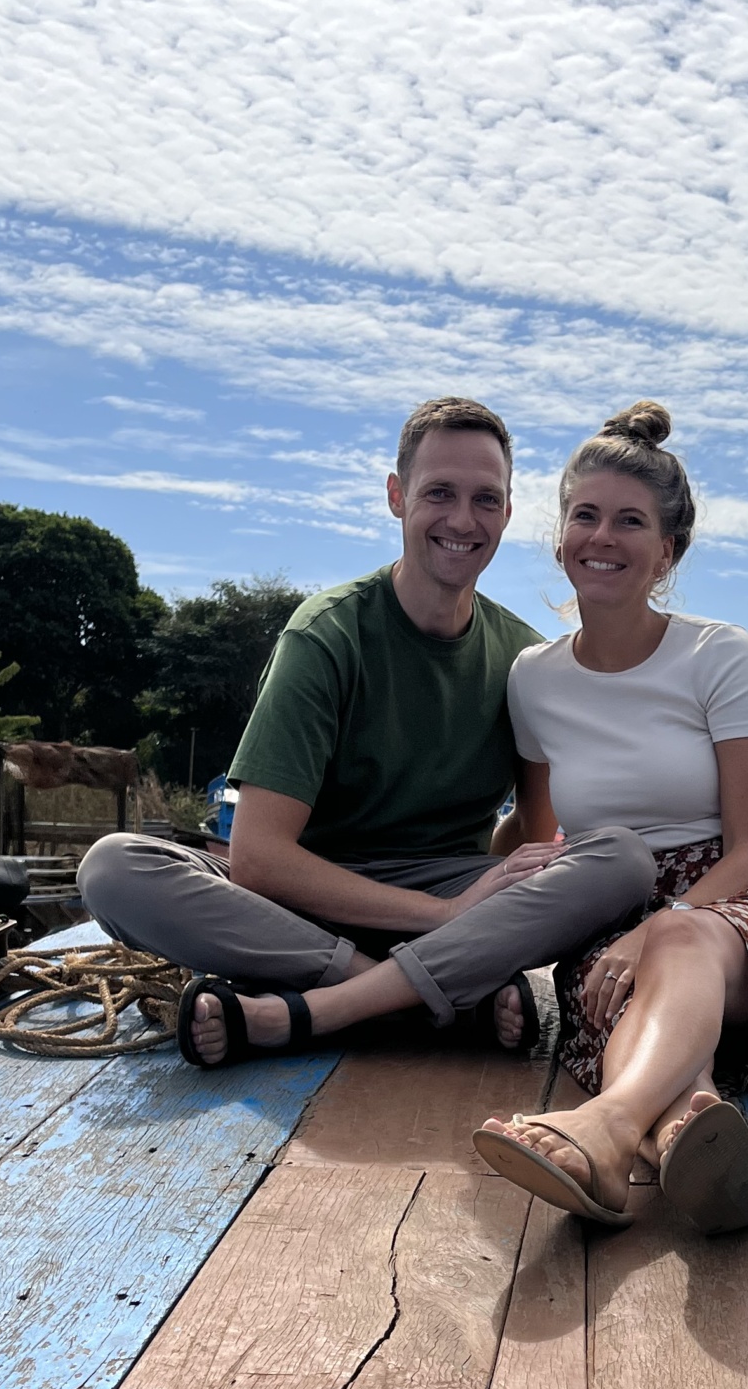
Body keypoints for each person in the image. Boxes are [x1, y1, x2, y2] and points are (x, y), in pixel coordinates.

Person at [77, 398, 655, 1065]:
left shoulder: (527, 660)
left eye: (485, 499)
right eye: (439, 493)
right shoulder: (327, 635)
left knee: (621, 859)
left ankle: (316, 1008)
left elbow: (529, 834)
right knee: (115, 868)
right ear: (395, 496)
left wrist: (488, 893)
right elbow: (260, 859)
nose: (463, 520)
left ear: (507, 511)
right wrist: (443, 920)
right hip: (304, 901)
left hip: (449, 892)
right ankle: (412, 997)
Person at [471, 403, 748, 1235]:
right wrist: (470, 899)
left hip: (747, 904)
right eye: (585, 516)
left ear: (667, 549)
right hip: (609, 904)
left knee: (676, 942)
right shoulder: (532, 677)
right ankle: (686, 1128)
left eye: (630, 521)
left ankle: (603, 1128)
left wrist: (661, 924)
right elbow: (536, 836)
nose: (602, 537)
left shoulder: (719, 655)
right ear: (561, 536)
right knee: (635, 986)